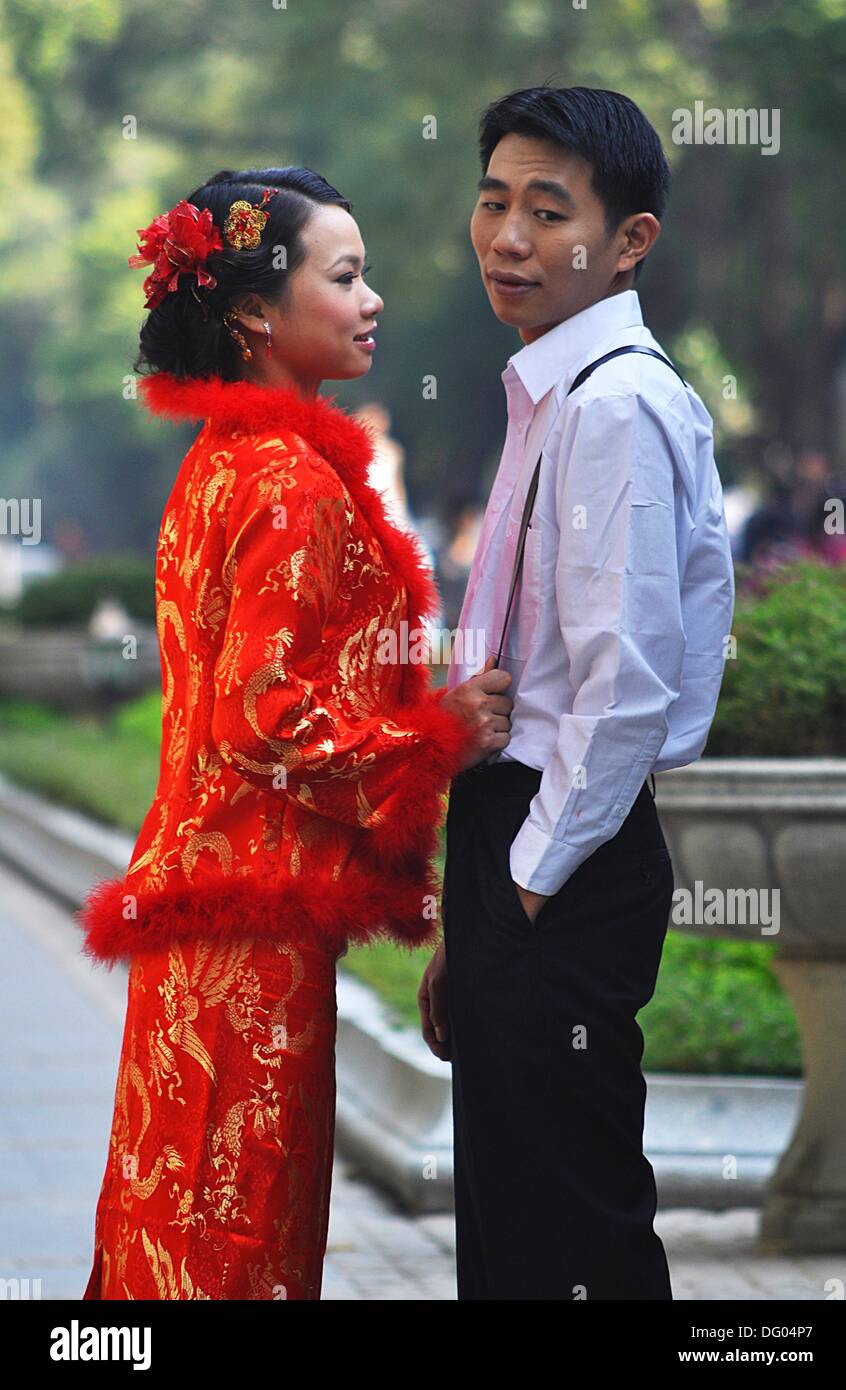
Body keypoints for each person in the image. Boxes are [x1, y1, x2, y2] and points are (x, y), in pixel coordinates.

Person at [79, 166, 513, 1300]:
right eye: (346, 275)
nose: (372, 301)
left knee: (165, 1231)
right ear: (254, 314)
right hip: (249, 941)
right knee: (239, 1247)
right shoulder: (289, 480)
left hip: (201, 906)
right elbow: (261, 717)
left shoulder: (218, 465)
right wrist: (432, 740)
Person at [418, 86, 735, 1300]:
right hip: (524, 834)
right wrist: (473, 910)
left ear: (628, 239)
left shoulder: (610, 405)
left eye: (547, 211)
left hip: (564, 848)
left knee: (568, 1237)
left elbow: (624, 689)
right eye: (492, 200)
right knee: (515, 1215)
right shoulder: (555, 393)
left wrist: (524, 884)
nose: (506, 236)